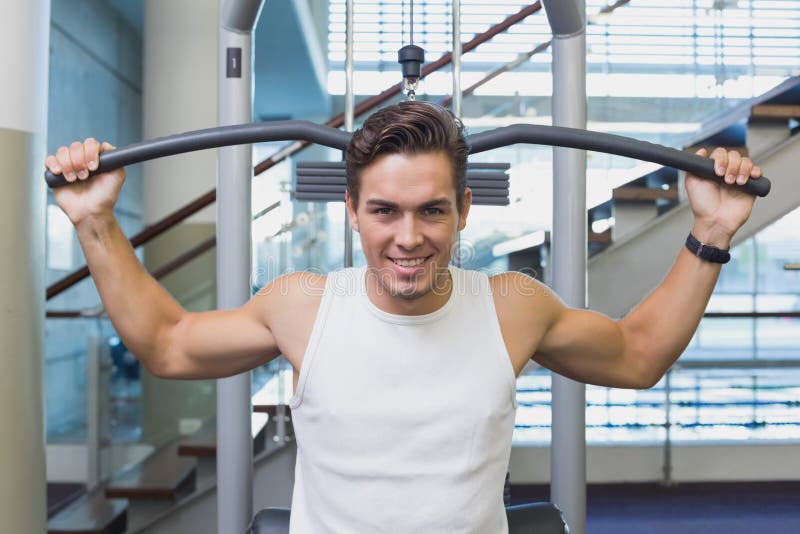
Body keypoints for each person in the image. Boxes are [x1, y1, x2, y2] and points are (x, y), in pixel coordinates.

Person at [45, 101, 762, 532]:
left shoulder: (512, 306)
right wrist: (94, 221)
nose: (409, 237)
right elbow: (168, 345)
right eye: (384, 210)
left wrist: (713, 233)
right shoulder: (304, 304)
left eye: (431, 211)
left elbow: (638, 356)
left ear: (464, 210)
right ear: (351, 209)